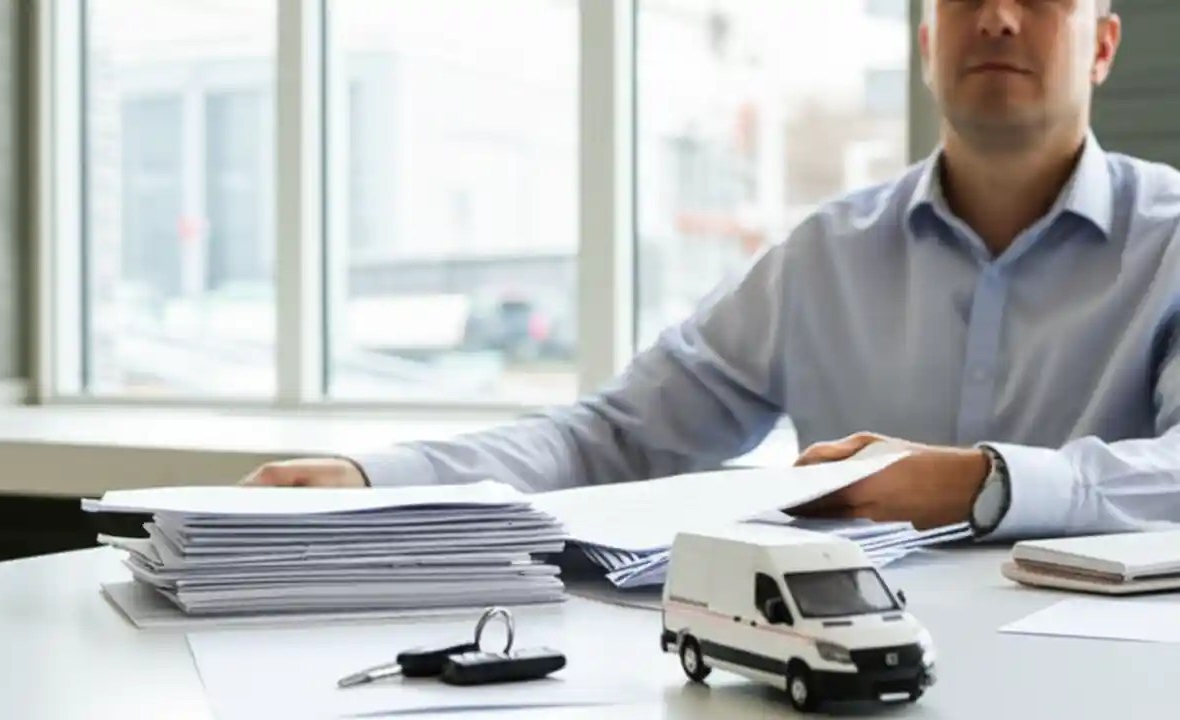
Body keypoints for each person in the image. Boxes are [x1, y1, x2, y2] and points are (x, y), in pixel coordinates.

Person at [247, 0, 1180, 540]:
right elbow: (613, 441)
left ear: (1101, 46)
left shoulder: (1170, 240)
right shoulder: (825, 256)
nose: (1000, 18)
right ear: (928, 44)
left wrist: (982, 482)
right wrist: (380, 478)